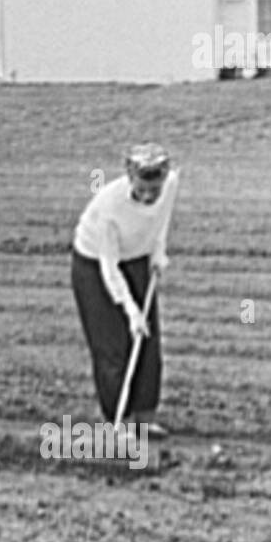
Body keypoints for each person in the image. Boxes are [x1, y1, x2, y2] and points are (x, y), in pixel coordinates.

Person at [71, 143, 178, 437]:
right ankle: (120, 425)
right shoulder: (109, 207)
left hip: (138, 258)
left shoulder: (170, 184)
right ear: (130, 177)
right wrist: (130, 310)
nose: (147, 196)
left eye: (153, 190)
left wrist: (158, 252)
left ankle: (145, 419)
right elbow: (109, 268)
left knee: (148, 341)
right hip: (95, 265)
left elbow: (161, 219)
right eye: (141, 188)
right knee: (113, 348)